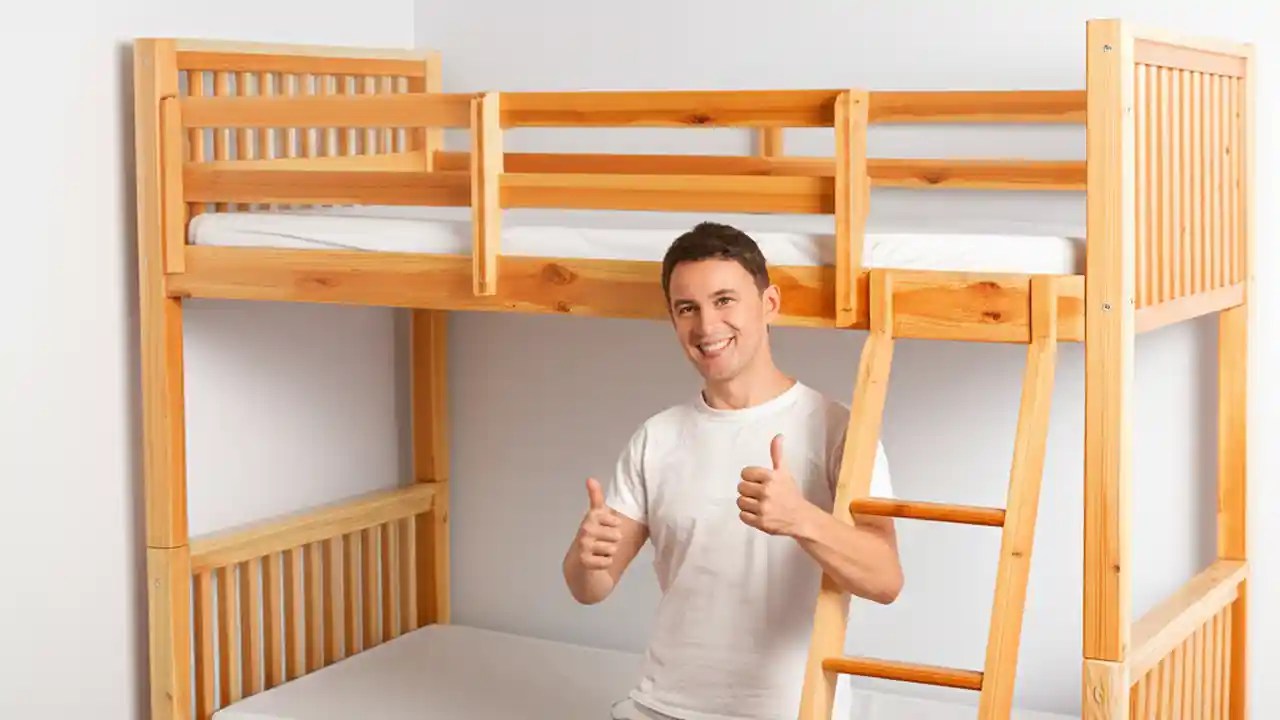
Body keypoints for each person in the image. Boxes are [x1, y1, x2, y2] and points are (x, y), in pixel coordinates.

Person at [562, 222, 903, 720]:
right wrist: (585, 557)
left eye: (724, 300)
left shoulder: (837, 429)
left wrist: (800, 518)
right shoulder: (657, 438)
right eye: (687, 309)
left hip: (788, 711)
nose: (706, 326)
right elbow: (590, 590)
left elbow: (885, 579)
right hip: (661, 705)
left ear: (768, 305)